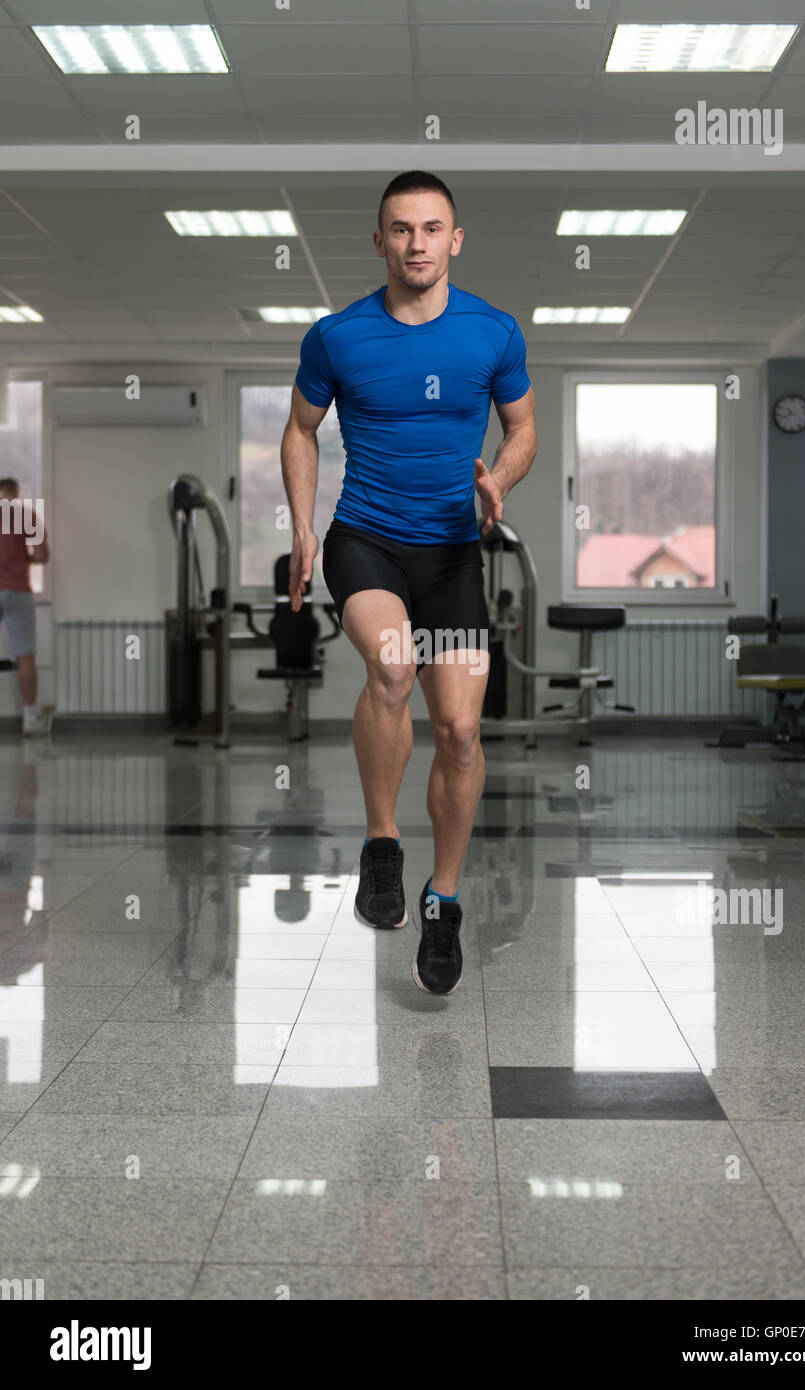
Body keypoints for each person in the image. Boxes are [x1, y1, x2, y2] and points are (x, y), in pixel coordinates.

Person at [280, 170, 537, 995]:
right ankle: (382, 843)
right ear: (380, 239)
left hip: (454, 553)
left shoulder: (492, 333)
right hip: (367, 543)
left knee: (461, 731)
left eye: (431, 229)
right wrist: (300, 522)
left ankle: (445, 899)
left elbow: (523, 426)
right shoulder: (337, 336)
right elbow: (299, 428)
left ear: (454, 240)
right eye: (400, 229)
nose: (416, 243)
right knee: (393, 666)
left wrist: (499, 475)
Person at [0, 477, 52, 736]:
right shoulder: (24, 515)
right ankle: (30, 719)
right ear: (15, 492)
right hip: (17, 590)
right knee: (25, 656)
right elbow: (43, 555)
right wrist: (25, 558)